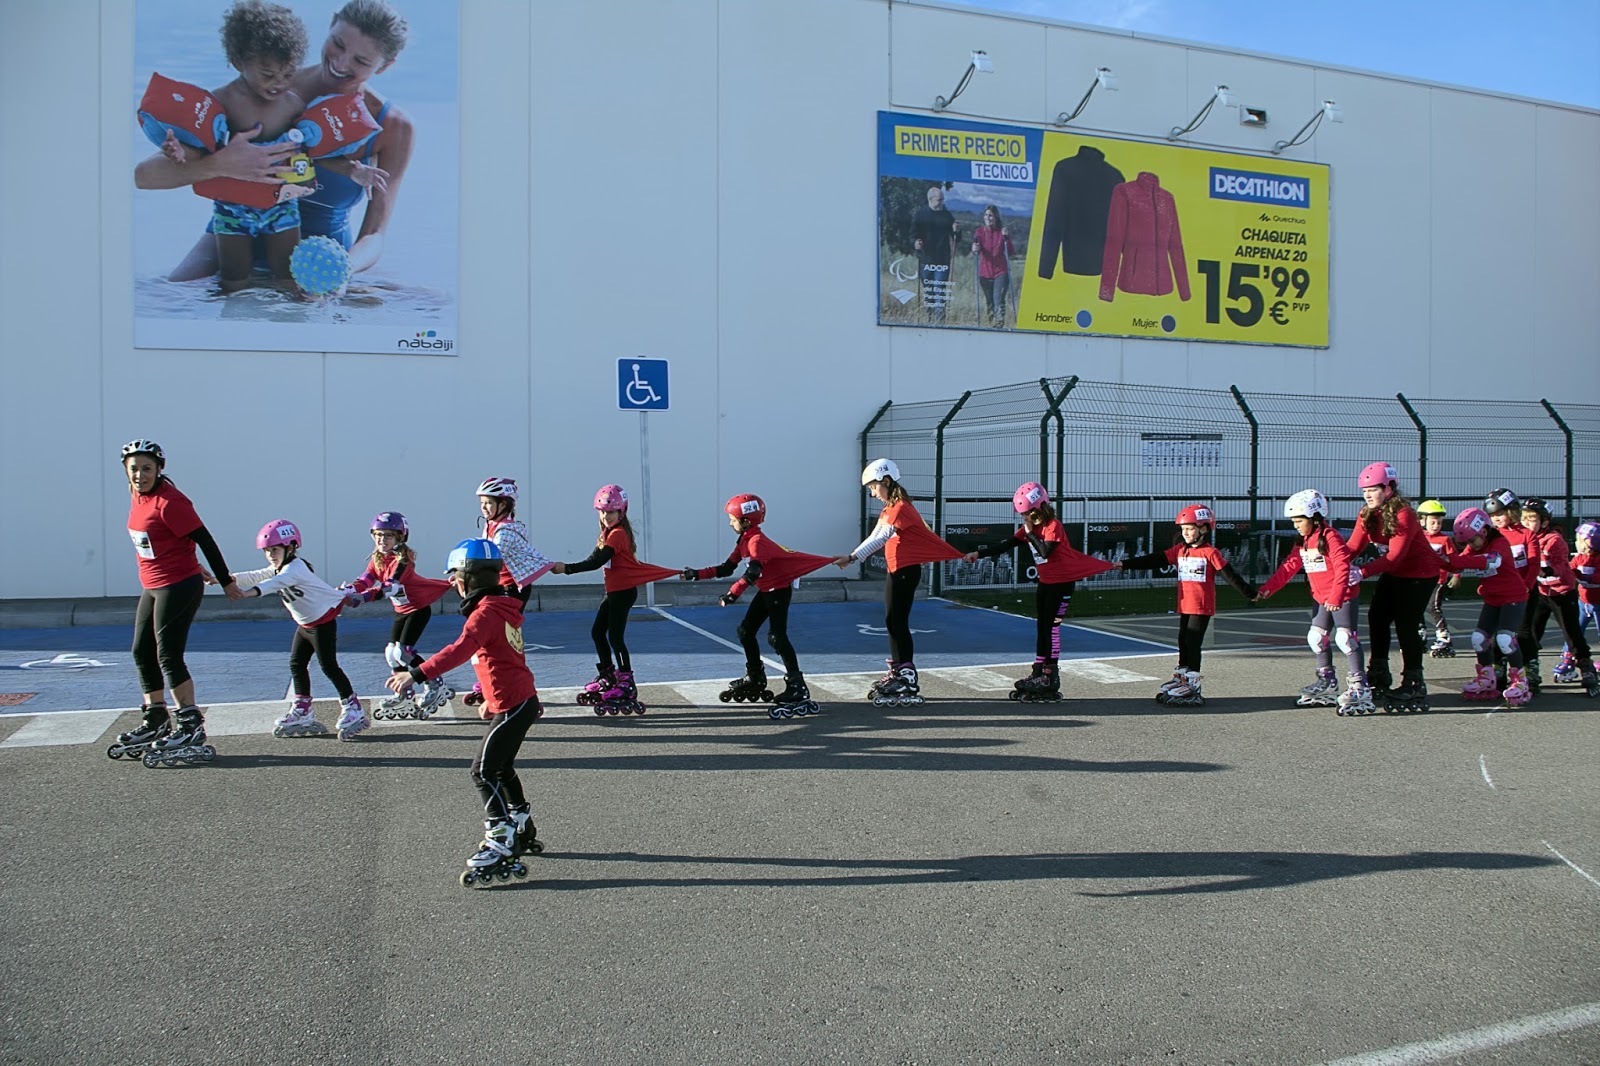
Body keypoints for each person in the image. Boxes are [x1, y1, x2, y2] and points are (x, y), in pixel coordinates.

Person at [138, 0, 415, 283]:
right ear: (331, 24)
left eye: (361, 60)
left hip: (318, 257)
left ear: (385, 66)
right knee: (168, 297)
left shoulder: (393, 126)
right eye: (338, 44)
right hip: (232, 234)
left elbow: (374, 235)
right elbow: (144, 177)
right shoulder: (271, 80)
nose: (341, 63)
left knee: (430, 302)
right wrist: (218, 165)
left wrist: (343, 269)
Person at [387, 539, 544, 888]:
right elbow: (504, 658)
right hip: (516, 701)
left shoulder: (485, 612)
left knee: (482, 770)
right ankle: (520, 822)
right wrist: (492, 698)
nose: (456, 584)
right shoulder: (501, 606)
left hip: (515, 704)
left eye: (456, 578)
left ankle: (500, 839)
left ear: (466, 579)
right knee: (500, 768)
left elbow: (461, 650)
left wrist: (415, 673)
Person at [109, 440, 243, 765]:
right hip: (153, 584)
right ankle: (156, 718)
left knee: (168, 653)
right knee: (141, 651)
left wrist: (225, 581)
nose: (140, 475)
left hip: (178, 585)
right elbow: (158, 541)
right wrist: (189, 558)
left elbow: (205, 539)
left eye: (147, 469)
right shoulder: (137, 496)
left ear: (159, 469)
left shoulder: (170, 502)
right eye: (135, 469)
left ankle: (190, 723)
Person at [169, 1, 313, 292]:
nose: (278, 84)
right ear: (239, 62)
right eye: (267, 74)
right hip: (232, 209)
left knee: (289, 281)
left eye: (287, 75)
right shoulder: (221, 101)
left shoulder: (293, 105)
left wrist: (353, 169)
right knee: (233, 282)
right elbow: (199, 147)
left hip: (281, 204)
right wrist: (179, 153)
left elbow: (312, 152)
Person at [682, 494, 835, 718]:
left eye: (732, 518)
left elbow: (753, 572)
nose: (729, 522)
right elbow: (726, 568)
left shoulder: (756, 542)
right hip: (766, 590)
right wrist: (696, 574)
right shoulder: (745, 539)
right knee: (745, 631)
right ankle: (755, 676)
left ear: (746, 520)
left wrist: (732, 594)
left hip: (778, 591)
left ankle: (797, 686)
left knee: (776, 637)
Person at [962, 482, 1113, 703]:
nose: (1024, 519)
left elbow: (1045, 551)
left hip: (1062, 583)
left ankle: (1050, 675)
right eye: (1023, 515)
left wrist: (1031, 533)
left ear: (1039, 509)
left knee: (1052, 628)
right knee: (1041, 625)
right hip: (1046, 582)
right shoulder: (1029, 528)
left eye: (1028, 514)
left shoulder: (1053, 526)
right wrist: (978, 553)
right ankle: (1038, 670)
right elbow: (1007, 544)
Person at [834, 459, 963, 707]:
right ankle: (898, 671)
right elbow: (875, 534)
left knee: (897, 621)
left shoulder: (901, 508)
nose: (872, 493)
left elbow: (881, 537)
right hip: (897, 570)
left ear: (886, 481)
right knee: (892, 621)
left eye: (873, 487)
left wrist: (852, 557)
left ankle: (907, 675)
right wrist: (852, 555)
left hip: (905, 571)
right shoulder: (890, 508)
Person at [229, 519, 371, 741]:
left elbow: (272, 584)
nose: (270, 555)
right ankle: (303, 709)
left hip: (322, 622)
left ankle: (353, 708)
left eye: (274, 549)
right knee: (296, 664)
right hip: (305, 625)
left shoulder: (295, 568)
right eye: (266, 551)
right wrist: (227, 579)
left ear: (291, 547)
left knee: (329, 666)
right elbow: (258, 575)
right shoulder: (279, 566)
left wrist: (248, 593)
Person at [553, 485, 680, 715]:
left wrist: (566, 569)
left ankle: (626, 682)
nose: (605, 516)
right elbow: (595, 557)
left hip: (623, 592)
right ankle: (608, 676)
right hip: (614, 592)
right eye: (602, 511)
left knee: (615, 637)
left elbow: (595, 561)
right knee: (597, 632)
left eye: (610, 512)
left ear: (621, 512)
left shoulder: (618, 534)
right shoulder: (607, 532)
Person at [1115, 505, 1256, 707]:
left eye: (1190, 529)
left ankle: (1193, 685)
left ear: (1204, 529)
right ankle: (1181, 677)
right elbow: (1155, 559)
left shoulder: (1210, 553)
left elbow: (1230, 575)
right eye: (1183, 530)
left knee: (1192, 642)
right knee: (1182, 640)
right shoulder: (1181, 551)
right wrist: (1125, 564)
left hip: (1201, 606)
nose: (1185, 533)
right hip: (1185, 605)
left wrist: (1250, 594)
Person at [1253, 490, 1373, 715]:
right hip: (1321, 598)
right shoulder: (1304, 541)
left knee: (1346, 639)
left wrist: (1337, 596)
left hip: (1341, 596)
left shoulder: (1330, 537)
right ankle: (1327, 682)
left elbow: (1342, 566)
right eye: (1294, 521)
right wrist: (1267, 589)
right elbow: (1289, 566)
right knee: (1316, 638)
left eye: (1299, 521)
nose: (1296, 525)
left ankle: (1360, 687)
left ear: (1314, 516)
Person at [1345, 462, 1441, 712]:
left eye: (1373, 489)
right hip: (1395, 573)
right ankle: (1379, 672)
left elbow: (1395, 556)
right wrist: (1329, 558)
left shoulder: (1403, 513)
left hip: (1420, 573)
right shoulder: (1367, 513)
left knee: (1406, 623)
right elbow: (1353, 547)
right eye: (1364, 490)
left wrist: (1362, 572)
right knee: (1377, 617)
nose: (1367, 494)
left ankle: (1414, 681)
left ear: (1389, 488)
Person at [342, 511, 455, 719]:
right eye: (378, 535)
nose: (381, 540)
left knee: (404, 652)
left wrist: (364, 598)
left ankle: (434, 683)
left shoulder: (403, 559)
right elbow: (365, 580)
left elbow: (389, 587)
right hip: (402, 611)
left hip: (418, 610)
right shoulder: (377, 558)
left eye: (387, 536)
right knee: (391, 653)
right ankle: (404, 691)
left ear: (400, 537)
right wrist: (348, 590)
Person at [462, 478, 554, 708]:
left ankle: (519, 688)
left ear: (504, 505)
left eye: (489, 503)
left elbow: (491, 556)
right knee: (492, 635)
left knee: (505, 640)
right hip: (496, 587)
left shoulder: (506, 531)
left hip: (512, 589)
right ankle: (489, 678)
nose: (484, 508)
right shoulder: (489, 525)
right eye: (482, 503)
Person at [1440, 508, 1533, 706]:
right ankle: (1486, 679)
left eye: (1472, 541)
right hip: (1492, 599)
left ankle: (1521, 680)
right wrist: (1440, 561)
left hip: (1513, 597)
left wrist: (1456, 560)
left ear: (1484, 531)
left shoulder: (1499, 543)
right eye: (1467, 543)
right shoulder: (1474, 548)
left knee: (1505, 639)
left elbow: (1490, 561)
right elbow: (1458, 564)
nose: (1470, 546)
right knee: (1478, 638)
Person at [1521, 499, 1598, 699]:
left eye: (1532, 520)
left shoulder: (1554, 540)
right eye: (1525, 519)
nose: (1528, 524)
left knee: (1572, 635)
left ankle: (1587, 669)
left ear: (1545, 522)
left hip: (1562, 593)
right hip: (1540, 592)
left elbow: (1563, 567)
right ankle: (1530, 672)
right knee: (1530, 633)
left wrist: (1546, 570)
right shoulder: (1525, 538)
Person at [1482, 488, 1537, 689]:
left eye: (1500, 514)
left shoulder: (1526, 535)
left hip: (1523, 591)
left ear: (1512, 511)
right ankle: (1498, 666)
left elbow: (1533, 564)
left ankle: (1530, 666)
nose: (1496, 519)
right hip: (1500, 591)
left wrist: (1527, 586)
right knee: (1499, 633)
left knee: (1522, 632)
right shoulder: (1492, 537)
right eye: (1493, 516)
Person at [1552, 521, 1599, 693]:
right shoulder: (1579, 558)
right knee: (1573, 631)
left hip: (1599, 603)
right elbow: (1570, 569)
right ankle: (1568, 659)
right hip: (1583, 603)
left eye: (1581, 540)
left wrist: (1586, 577)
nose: (1578, 543)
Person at [910, 185, 959, 324]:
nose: (942, 203)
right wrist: (915, 243)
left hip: (942, 260)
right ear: (930, 200)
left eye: (942, 200)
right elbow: (912, 235)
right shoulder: (920, 214)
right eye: (939, 200)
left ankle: (940, 323)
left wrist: (956, 230)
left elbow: (956, 237)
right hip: (925, 259)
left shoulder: (946, 215)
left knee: (940, 292)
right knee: (929, 293)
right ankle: (929, 319)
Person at [1417, 499, 1459, 657]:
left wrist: (1456, 575)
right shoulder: (1419, 538)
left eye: (1439, 523)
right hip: (1420, 579)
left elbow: (1455, 559)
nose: (1436, 526)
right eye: (1433, 522)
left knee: (1433, 607)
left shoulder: (1445, 540)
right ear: (1422, 521)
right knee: (1417, 607)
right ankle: (1420, 634)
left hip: (1438, 579)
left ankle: (1443, 637)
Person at [970, 205, 1015, 328]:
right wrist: (974, 249)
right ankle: (990, 325)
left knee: (998, 300)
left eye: (990, 215)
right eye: (986, 215)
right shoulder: (980, 231)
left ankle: (999, 325)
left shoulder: (1001, 232)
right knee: (989, 301)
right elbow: (976, 246)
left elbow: (1010, 251)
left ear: (995, 217)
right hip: (985, 272)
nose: (988, 218)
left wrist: (1006, 237)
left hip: (1001, 271)